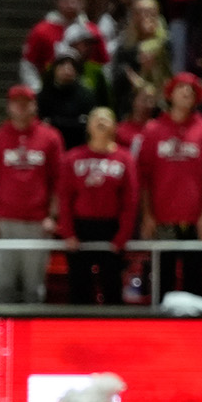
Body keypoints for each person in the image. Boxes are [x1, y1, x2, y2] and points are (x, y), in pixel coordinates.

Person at [135, 73, 202, 299]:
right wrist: (147, 215)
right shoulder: (153, 130)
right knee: (162, 280)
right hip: (162, 217)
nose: (187, 93)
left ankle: (194, 333)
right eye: (182, 88)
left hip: (196, 218)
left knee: (194, 279)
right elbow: (144, 177)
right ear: (170, 94)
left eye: (192, 90)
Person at [0, 85, 63, 304]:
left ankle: (33, 335)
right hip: (5, 220)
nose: (21, 107)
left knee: (34, 288)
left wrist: (52, 217)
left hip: (37, 221)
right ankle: (5, 335)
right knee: (4, 285)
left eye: (25, 103)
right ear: (9, 106)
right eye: (16, 103)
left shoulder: (50, 137)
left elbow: (58, 181)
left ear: (33, 106)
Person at [59, 108, 138, 306]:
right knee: (79, 290)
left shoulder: (125, 159)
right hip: (80, 228)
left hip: (111, 229)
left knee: (112, 288)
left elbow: (131, 200)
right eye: (96, 118)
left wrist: (122, 236)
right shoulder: (72, 158)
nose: (101, 121)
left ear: (114, 126)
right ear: (88, 126)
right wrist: (68, 233)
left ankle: (113, 333)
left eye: (106, 118)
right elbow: (64, 199)